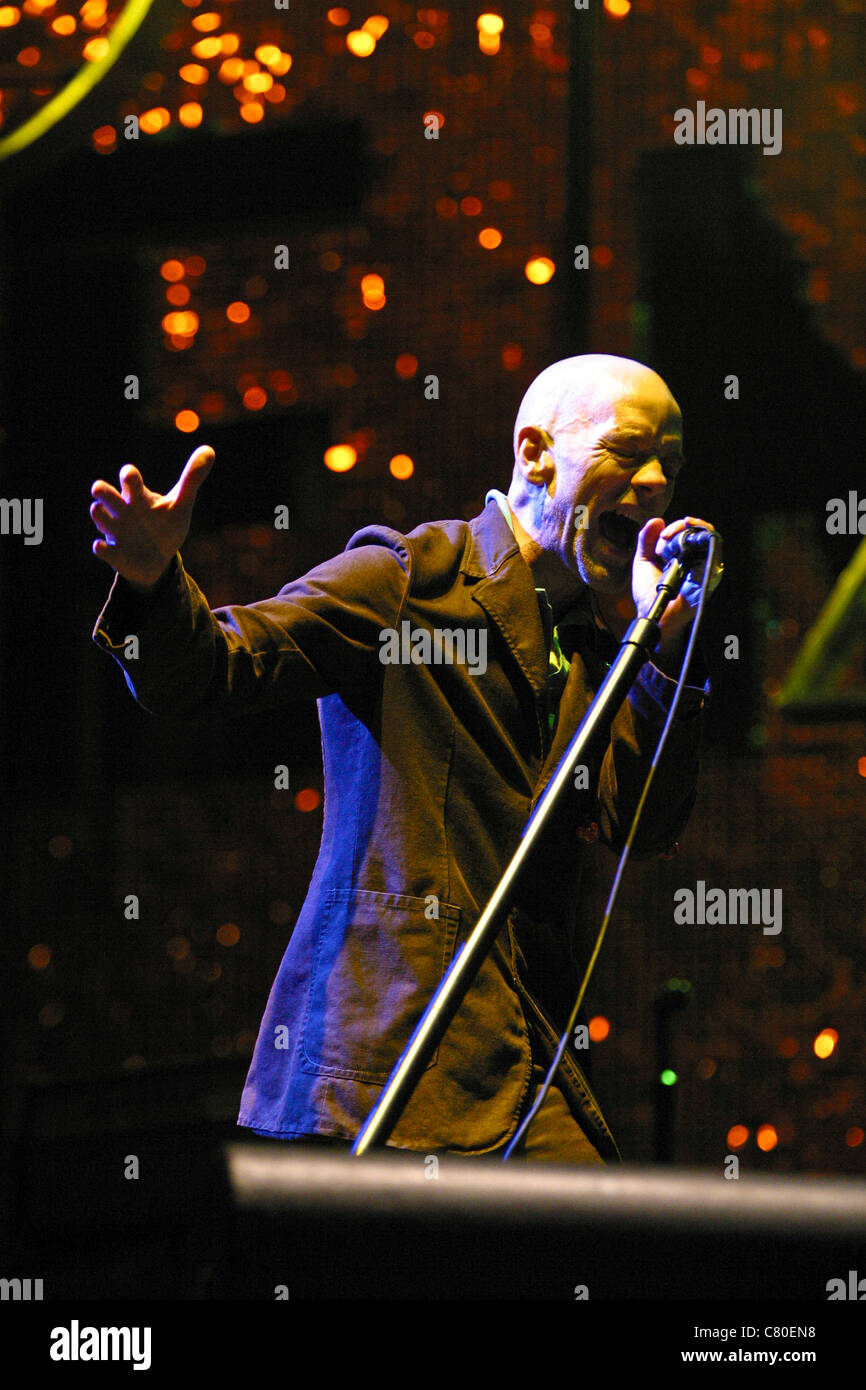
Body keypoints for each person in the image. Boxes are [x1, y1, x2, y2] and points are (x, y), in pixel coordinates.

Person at [90, 353, 721, 1164]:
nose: (657, 482)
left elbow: (643, 824)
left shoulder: (605, 651)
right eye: (629, 452)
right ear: (535, 453)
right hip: (391, 1055)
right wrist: (150, 580)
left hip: (526, 1058)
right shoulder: (406, 583)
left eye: (670, 464)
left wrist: (668, 658)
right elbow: (212, 671)